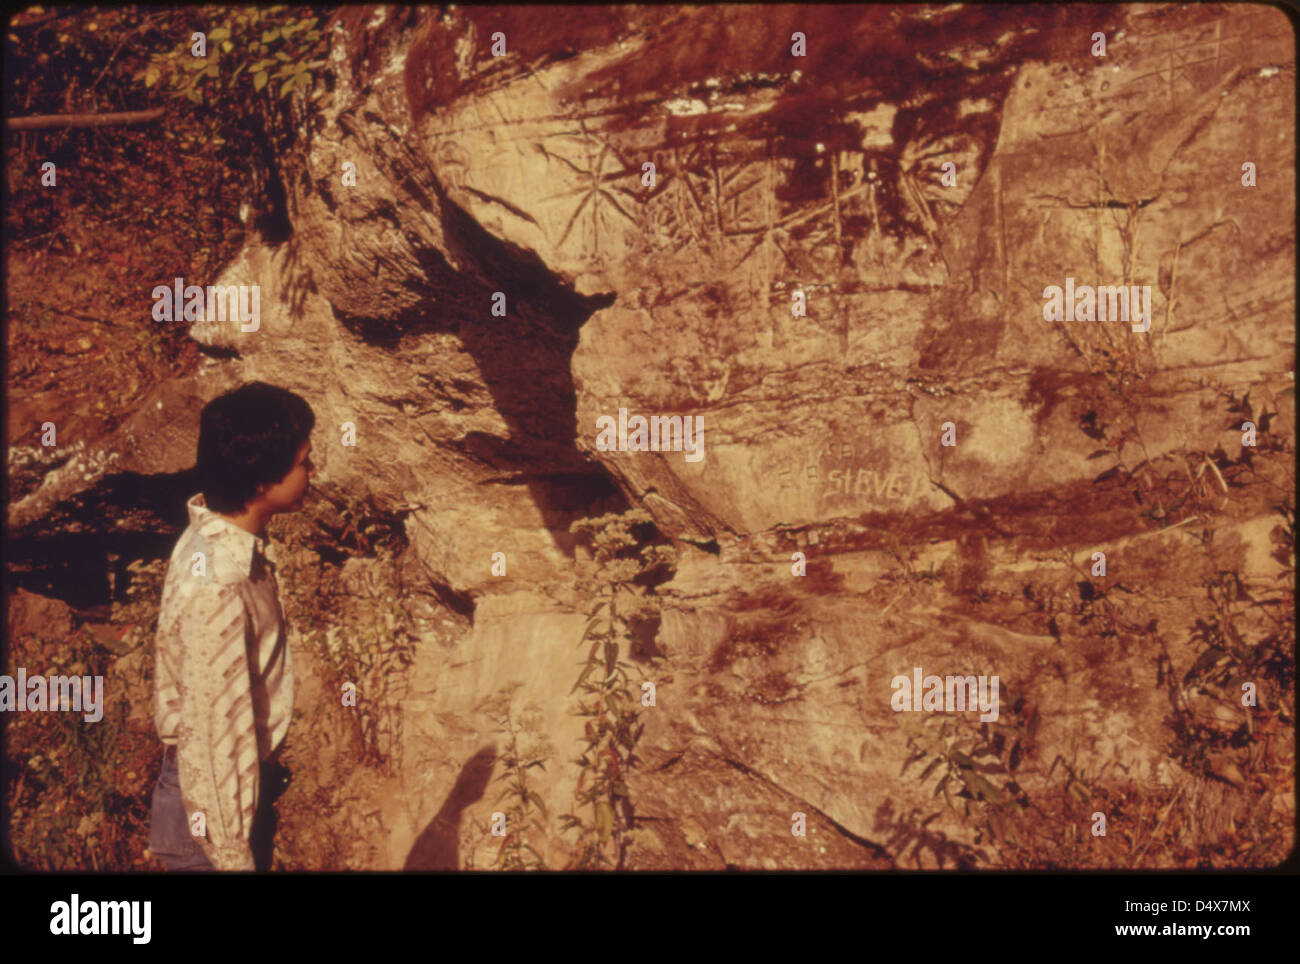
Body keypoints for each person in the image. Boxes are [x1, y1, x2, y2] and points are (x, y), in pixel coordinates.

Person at [148, 382, 315, 871]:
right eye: (304, 460)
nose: (313, 470)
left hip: (220, 803)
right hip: (211, 817)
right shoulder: (221, 583)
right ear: (261, 480)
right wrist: (231, 855)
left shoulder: (210, 537)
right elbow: (212, 735)